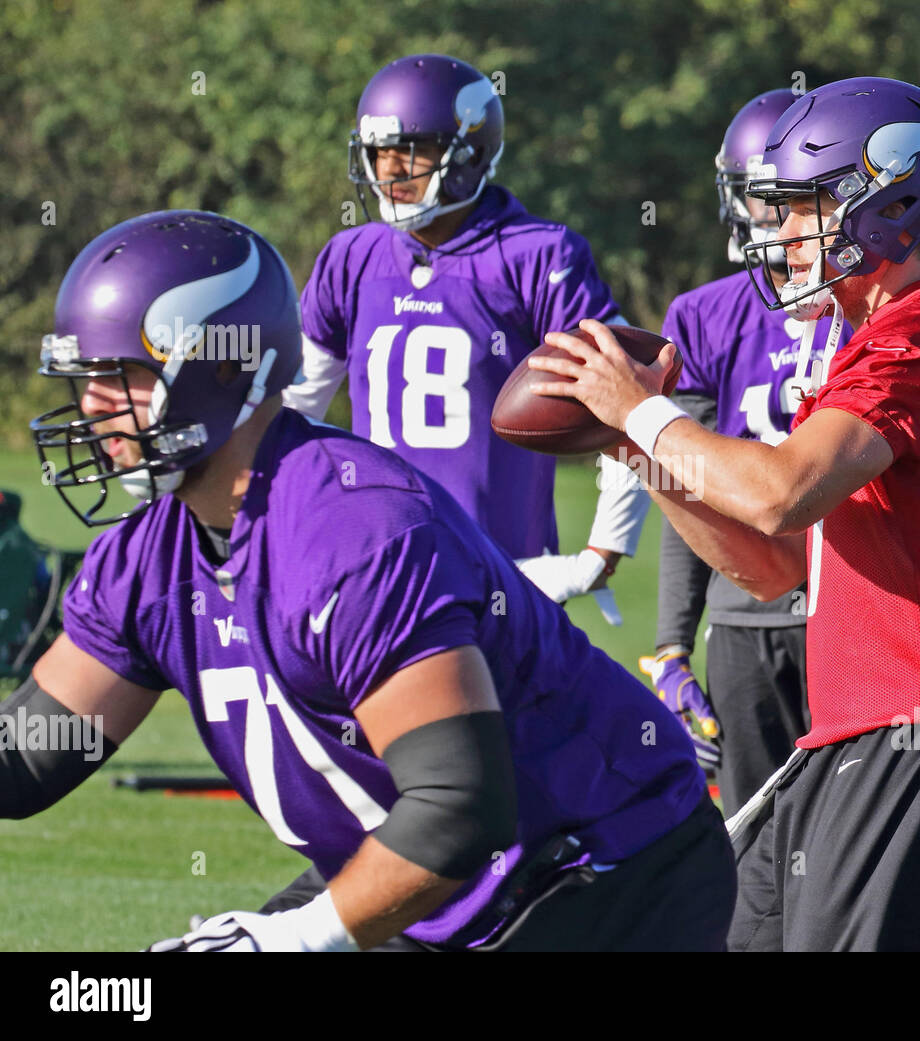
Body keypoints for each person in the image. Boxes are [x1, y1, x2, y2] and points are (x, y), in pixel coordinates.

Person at [10, 210, 735, 952]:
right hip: (435, 881)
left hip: (598, 873)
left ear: (222, 365)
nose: (91, 408)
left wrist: (288, 940)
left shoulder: (352, 530)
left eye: (117, 378)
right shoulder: (147, 557)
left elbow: (456, 806)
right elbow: (30, 755)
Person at [528, 77, 920, 951]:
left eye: (802, 208)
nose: (780, 235)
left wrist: (644, 412)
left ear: (886, 206)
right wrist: (652, 460)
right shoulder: (866, 348)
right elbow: (776, 569)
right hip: (860, 728)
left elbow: (778, 492)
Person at [282, 53, 648, 621]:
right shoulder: (350, 257)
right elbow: (288, 413)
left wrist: (605, 547)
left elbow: (634, 400)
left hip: (500, 573)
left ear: (469, 153)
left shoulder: (537, 255)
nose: (389, 172)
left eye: (410, 152)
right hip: (373, 564)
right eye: (378, 153)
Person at [643, 88, 836, 815]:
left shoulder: (873, 309)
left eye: (788, 199)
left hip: (851, 610)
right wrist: (671, 647)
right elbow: (681, 487)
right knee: (754, 842)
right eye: (760, 199)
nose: (770, 221)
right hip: (743, 616)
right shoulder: (704, 315)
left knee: (851, 852)